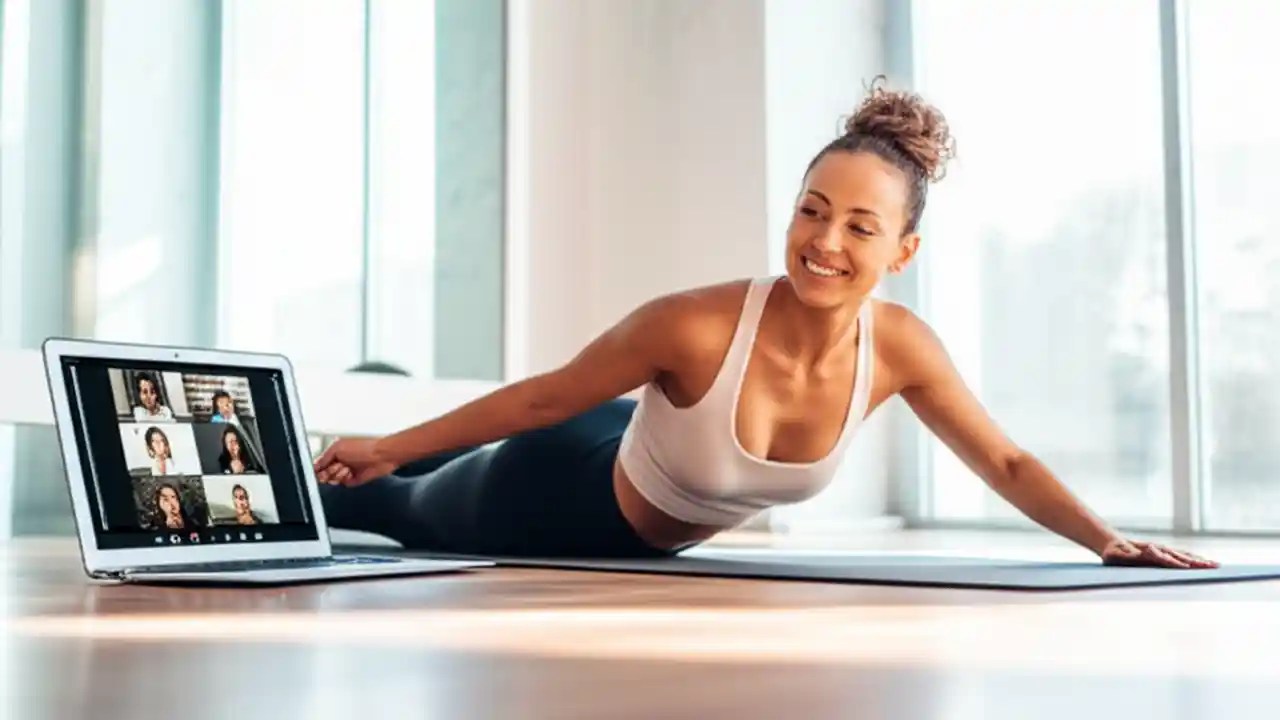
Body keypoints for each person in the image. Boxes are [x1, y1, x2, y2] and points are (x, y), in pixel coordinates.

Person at [314, 79, 1218, 569]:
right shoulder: (697, 324)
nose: (825, 243)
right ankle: (337, 453)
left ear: (902, 251)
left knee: (413, 467)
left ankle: (394, 429)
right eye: (811, 211)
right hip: (553, 492)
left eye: (861, 227)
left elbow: (1007, 462)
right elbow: (542, 399)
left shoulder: (900, 349)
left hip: (627, 443)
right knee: (383, 504)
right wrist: (391, 446)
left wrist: (1105, 539)